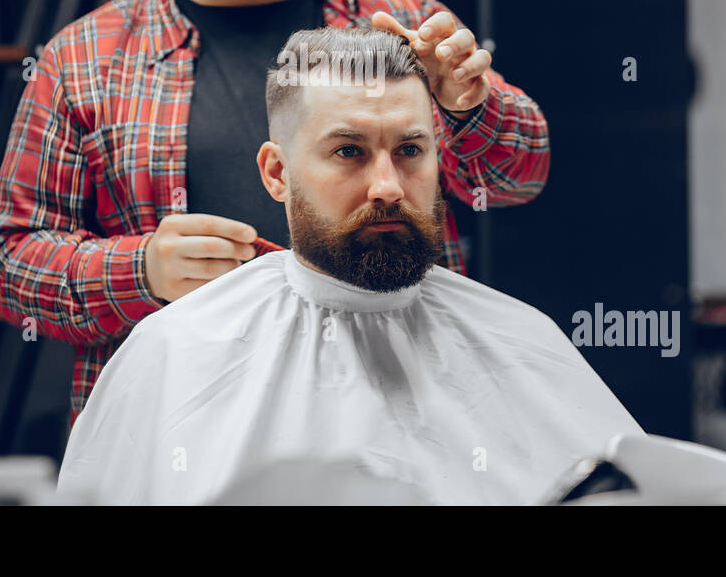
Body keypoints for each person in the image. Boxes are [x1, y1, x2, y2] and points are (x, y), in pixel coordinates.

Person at [0, 0, 551, 426]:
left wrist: (466, 106)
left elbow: (519, 178)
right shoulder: (85, 58)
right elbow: (9, 261)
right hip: (183, 431)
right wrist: (142, 272)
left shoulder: (402, 20)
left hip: (400, 419)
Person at [55, 28, 641, 505]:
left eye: (410, 150)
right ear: (277, 174)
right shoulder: (178, 349)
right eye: (349, 152)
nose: (388, 187)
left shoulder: (521, 338)